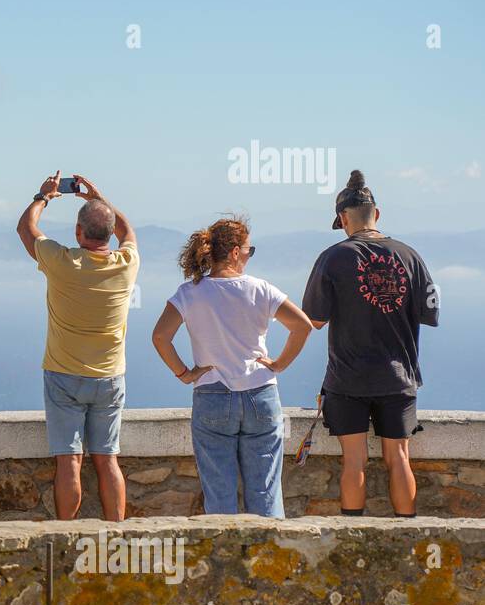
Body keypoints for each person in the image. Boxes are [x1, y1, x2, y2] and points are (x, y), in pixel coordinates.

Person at [151, 217, 312, 517]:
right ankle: (269, 558)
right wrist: (278, 364)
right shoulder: (261, 289)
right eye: (250, 251)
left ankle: (224, 560)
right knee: (265, 491)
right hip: (260, 395)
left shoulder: (190, 293)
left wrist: (185, 374)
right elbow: (302, 326)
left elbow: (160, 337)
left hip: (212, 395)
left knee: (219, 493)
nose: (250, 256)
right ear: (236, 252)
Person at [300, 171, 439, 517]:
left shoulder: (332, 259)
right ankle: (408, 531)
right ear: (377, 214)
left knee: (354, 460)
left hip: (348, 380)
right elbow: (430, 312)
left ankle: (353, 535)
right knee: (399, 458)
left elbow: (312, 321)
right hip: (398, 377)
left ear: (344, 219)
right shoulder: (411, 257)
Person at [16, 172, 139, 521]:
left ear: (78, 233)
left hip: (64, 376)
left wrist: (43, 197)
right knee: (107, 459)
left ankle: (64, 535)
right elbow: (128, 233)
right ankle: (116, 534)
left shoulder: (61, 261)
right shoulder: (126, 264)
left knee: (69, 461)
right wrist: (99, 201)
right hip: (110, 378)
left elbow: (26, 230)